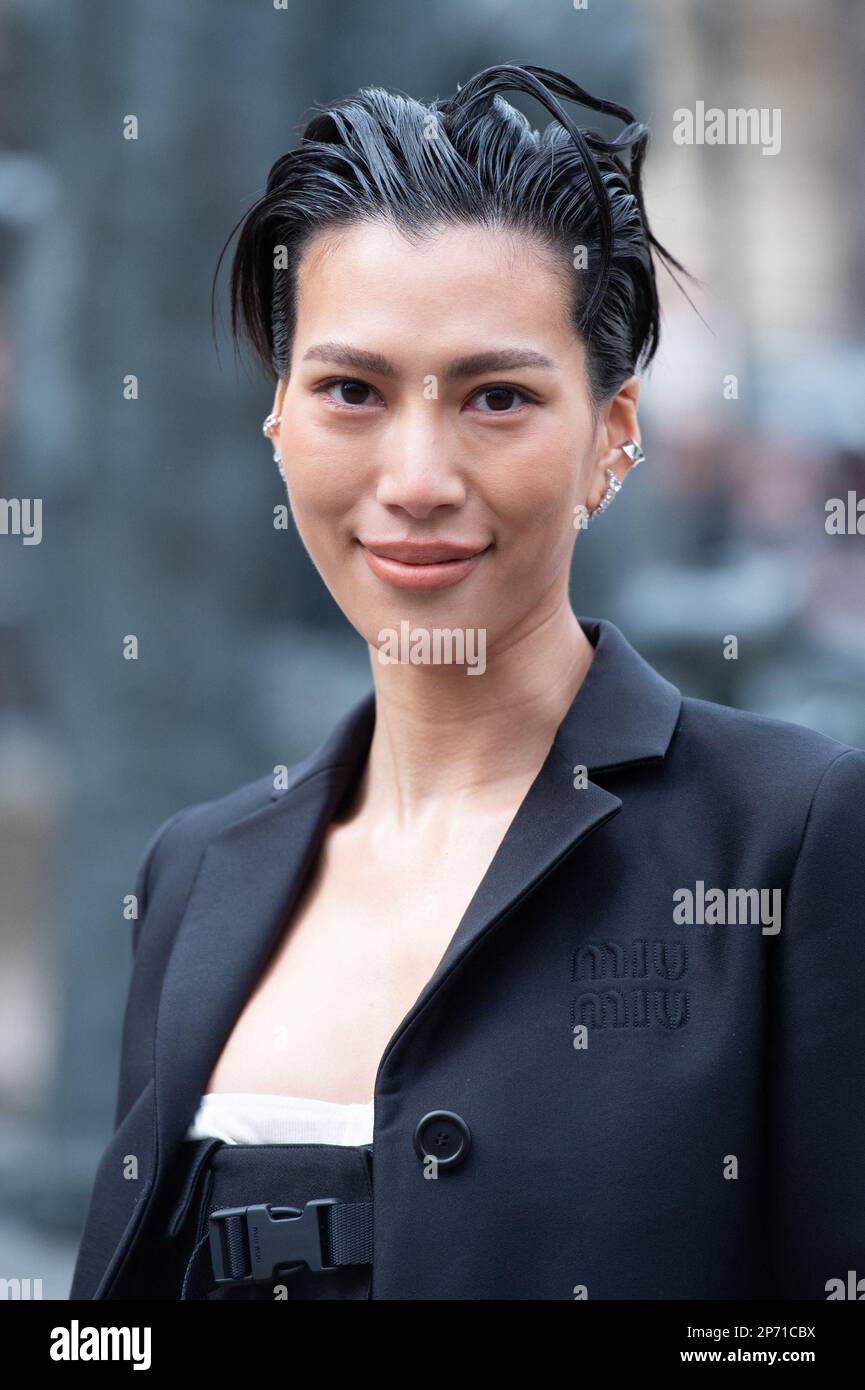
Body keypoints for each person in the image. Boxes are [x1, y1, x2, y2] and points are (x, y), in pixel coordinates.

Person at [70, 62, 864, 1302]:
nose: (419, 474)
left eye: (498, 396)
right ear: (278, 419)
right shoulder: (197, 870)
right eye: (352, 391)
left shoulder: (791, 833)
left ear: (614, 434)